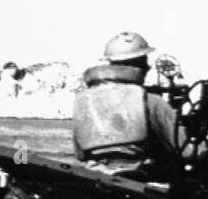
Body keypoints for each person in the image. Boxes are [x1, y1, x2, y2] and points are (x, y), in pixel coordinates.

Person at [72, 31, 183, 174]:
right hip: (137, 176)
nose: (148, 66)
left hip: (94, 173)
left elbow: (80, 154)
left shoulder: (84, 100)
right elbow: (185, 150)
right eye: (145, 61)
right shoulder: (151, 101)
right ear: (140, 65)